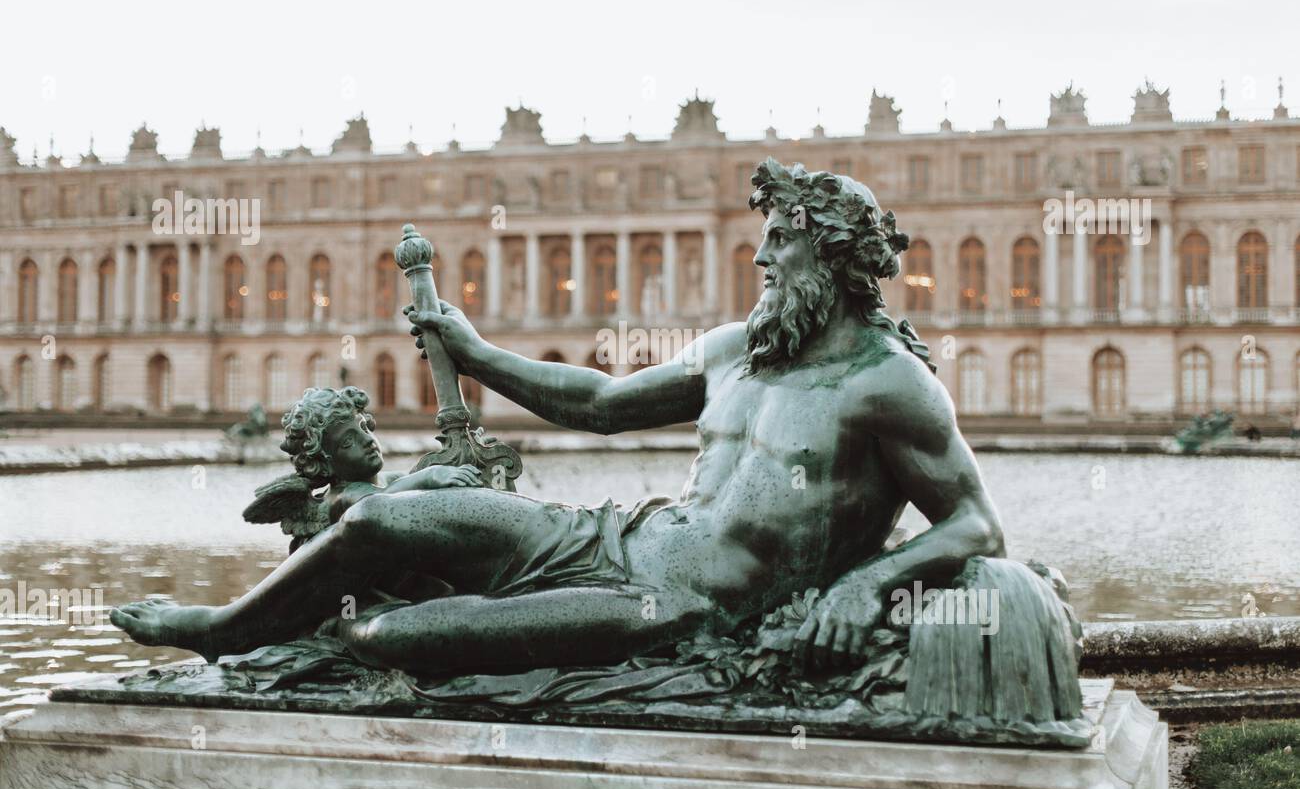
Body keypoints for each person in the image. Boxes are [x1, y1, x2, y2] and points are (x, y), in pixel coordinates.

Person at [112, 158, 1006, 679]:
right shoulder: (741, 348)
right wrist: (475, 351)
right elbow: (600, 403)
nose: (762, 256)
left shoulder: (889, 383)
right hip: (615, 536)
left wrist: (866, 583)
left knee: (388, 635)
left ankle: (352, 627)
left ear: (831, 252)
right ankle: (223, 629)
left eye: (783, 239)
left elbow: (975, 522)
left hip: (674, 604)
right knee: (375, 518)